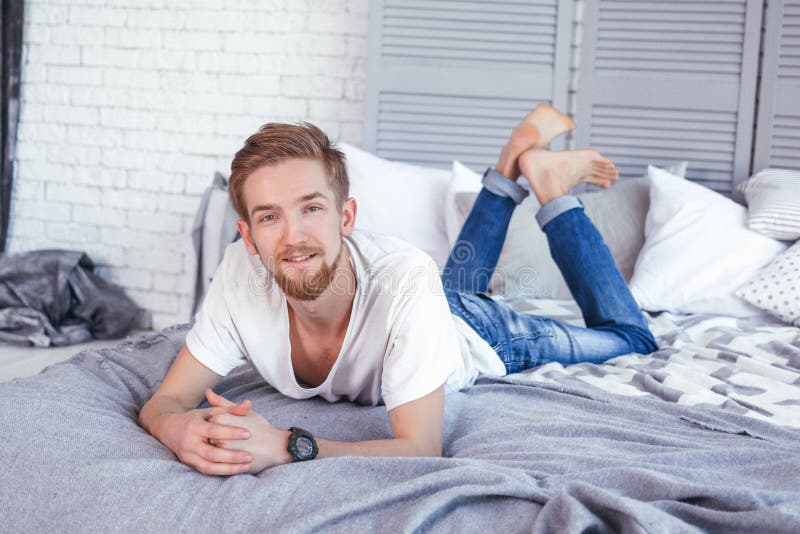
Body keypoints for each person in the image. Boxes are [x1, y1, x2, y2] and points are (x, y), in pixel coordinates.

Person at [138, 107, 658, 476]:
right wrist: (174, 428)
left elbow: (421, 446)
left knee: (631, 337)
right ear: (247, 236)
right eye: (270, 216)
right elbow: (165, 401)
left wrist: (287, 445)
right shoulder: (240, 274)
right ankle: (512, 164)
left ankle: (552, 192)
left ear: (346, 216)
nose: (293, 235)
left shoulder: (404, 280)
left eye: (311, 207)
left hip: (477, 333)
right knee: (448, 282)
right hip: (422, 302)